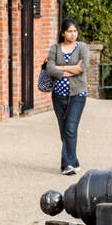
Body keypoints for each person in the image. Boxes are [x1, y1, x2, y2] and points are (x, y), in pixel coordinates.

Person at [44, 18, 90, 175]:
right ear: (63, 33)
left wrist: (60, 68)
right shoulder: (55, 48)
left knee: (70, 128)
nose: (73, 34)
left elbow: (82, 68)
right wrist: (70, 69)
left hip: (78, 94)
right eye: (69, 31)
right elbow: (50, 68)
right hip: (58, 95)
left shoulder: (82, 47)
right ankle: (74, 161)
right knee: (64, 130)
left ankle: (67, 165)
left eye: (75, 31)